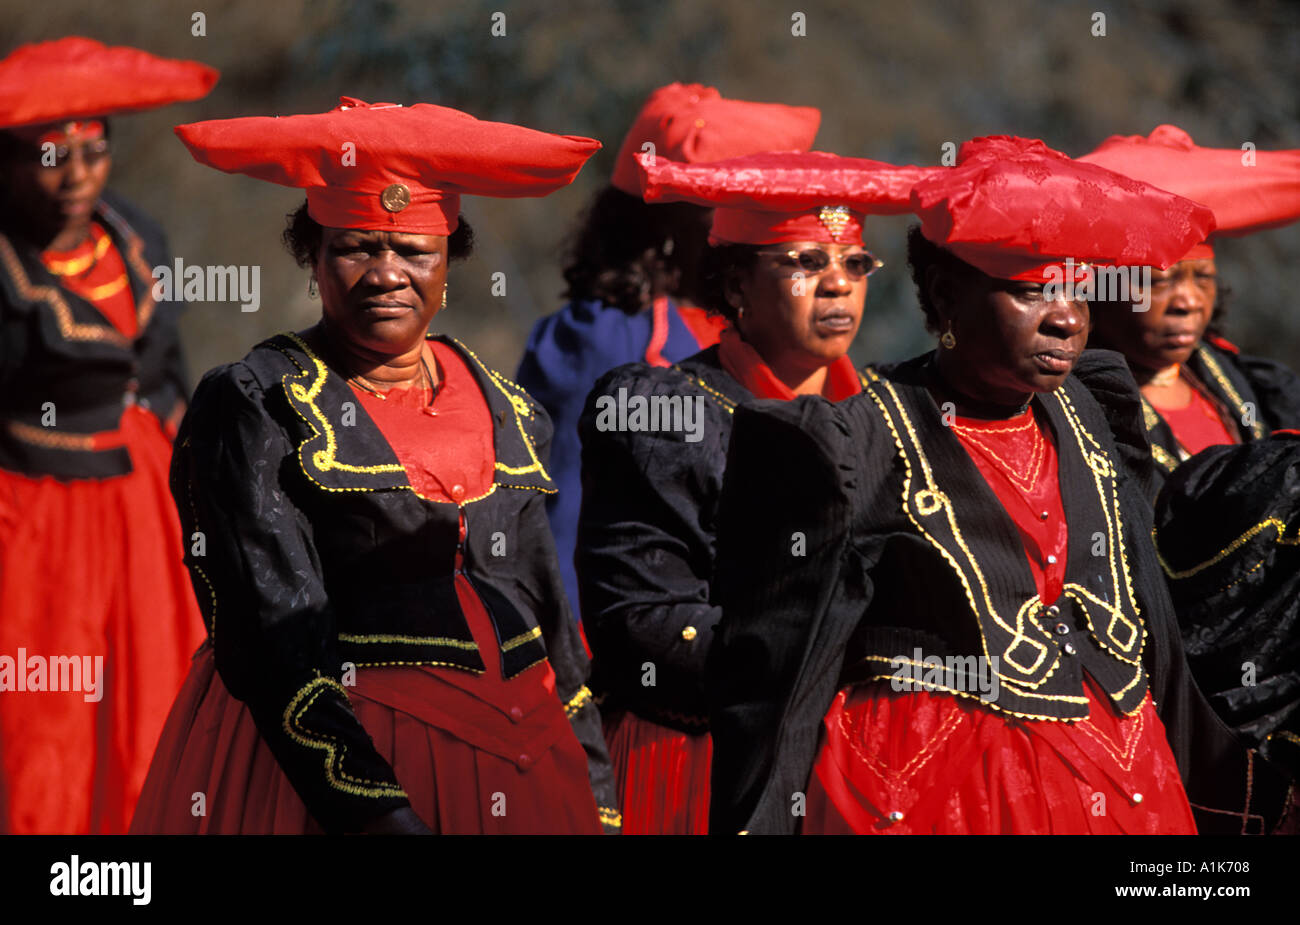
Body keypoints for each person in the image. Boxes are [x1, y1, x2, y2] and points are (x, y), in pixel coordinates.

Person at [708, 136, 1293, 835]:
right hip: (937, 795)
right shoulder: (855, 441)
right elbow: (777, 672)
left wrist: (1236, 779)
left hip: (1130, 783)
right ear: (948, 295)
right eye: (1029, 291)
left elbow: (1149, 624)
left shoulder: (1094, 408)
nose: (1066, 317)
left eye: (1077, 291)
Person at [129, 98, 619, 834]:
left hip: (528, 776)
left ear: (449, 262)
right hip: (328, 779)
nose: (387, 273)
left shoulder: (507, 408)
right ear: (313, 258)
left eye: (415, 250)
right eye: (357, 246)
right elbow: (273, 643)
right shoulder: (259, 405)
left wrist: (599, 796)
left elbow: (550, 622)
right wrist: (375, 814)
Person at [576, 150, 928, 834]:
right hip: (700, 759)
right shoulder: (662, 411)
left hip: (863, 764)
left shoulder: (892, 415)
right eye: (803, 262)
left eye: (855, 265)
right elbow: (638, 619)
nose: (837, 286)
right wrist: (822, 658)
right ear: (736, 284)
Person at [0, 37, 217, 834]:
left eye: (94, 154)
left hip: (146, 511)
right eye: (51, 157)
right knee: (44, 716)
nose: (76, 177)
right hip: (35, 522)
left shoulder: (134, 236)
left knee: (153, 693)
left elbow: (167, 375)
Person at [516, 83, 820, 620]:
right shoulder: (604, 338)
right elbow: (558, 520)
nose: (756, 227)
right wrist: (572, 680)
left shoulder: (783, 333)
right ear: (661, 223)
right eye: (729, 204)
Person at [1080, 126, 1300, 484]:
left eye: (1203, 279)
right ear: (1099, 293)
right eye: (1158, 282)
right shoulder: (1077, 408)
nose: (1189, 302)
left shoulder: (1252, 386)